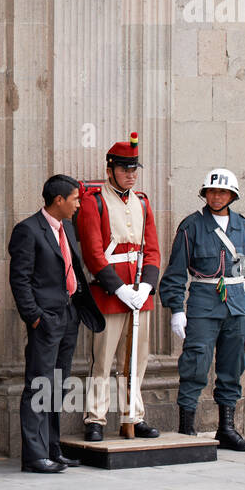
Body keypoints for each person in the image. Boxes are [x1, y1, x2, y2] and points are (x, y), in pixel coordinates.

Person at [158, 168, 245, 451]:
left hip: (236, 302)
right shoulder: (191, 226)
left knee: (233, 365)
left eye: (222, 192)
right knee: (196, 362)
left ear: (232, 195)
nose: (217, 196)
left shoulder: (244, 227)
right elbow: (176, 270)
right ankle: (186, 429)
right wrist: (175, 308)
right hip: (204, 300)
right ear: (205, 194)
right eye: (212, 192)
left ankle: (226, 428)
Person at [8, 175, 106, 472]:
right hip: (46, 320)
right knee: (39, 384)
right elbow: (20, 279)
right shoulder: (28, 230)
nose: (79, 203)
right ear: (58, 200)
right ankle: (34, 455)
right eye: (75, 198)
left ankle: (52, 448)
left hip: (69, 316)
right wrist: (35, 317)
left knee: (57, 386)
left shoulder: (68, 228)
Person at [76, 133, 161, 440]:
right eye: (125, 169)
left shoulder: (143, 202)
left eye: (134, 169)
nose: (130, 174)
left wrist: (147, 286)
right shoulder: (93, 202)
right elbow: (93, 252)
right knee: (102, 358)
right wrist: (118, 287)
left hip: (139, 292)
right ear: (110, 169)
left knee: (136, 359)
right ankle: (95, 418)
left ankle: (133, 416)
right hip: (109, 293)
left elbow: (151, 249)